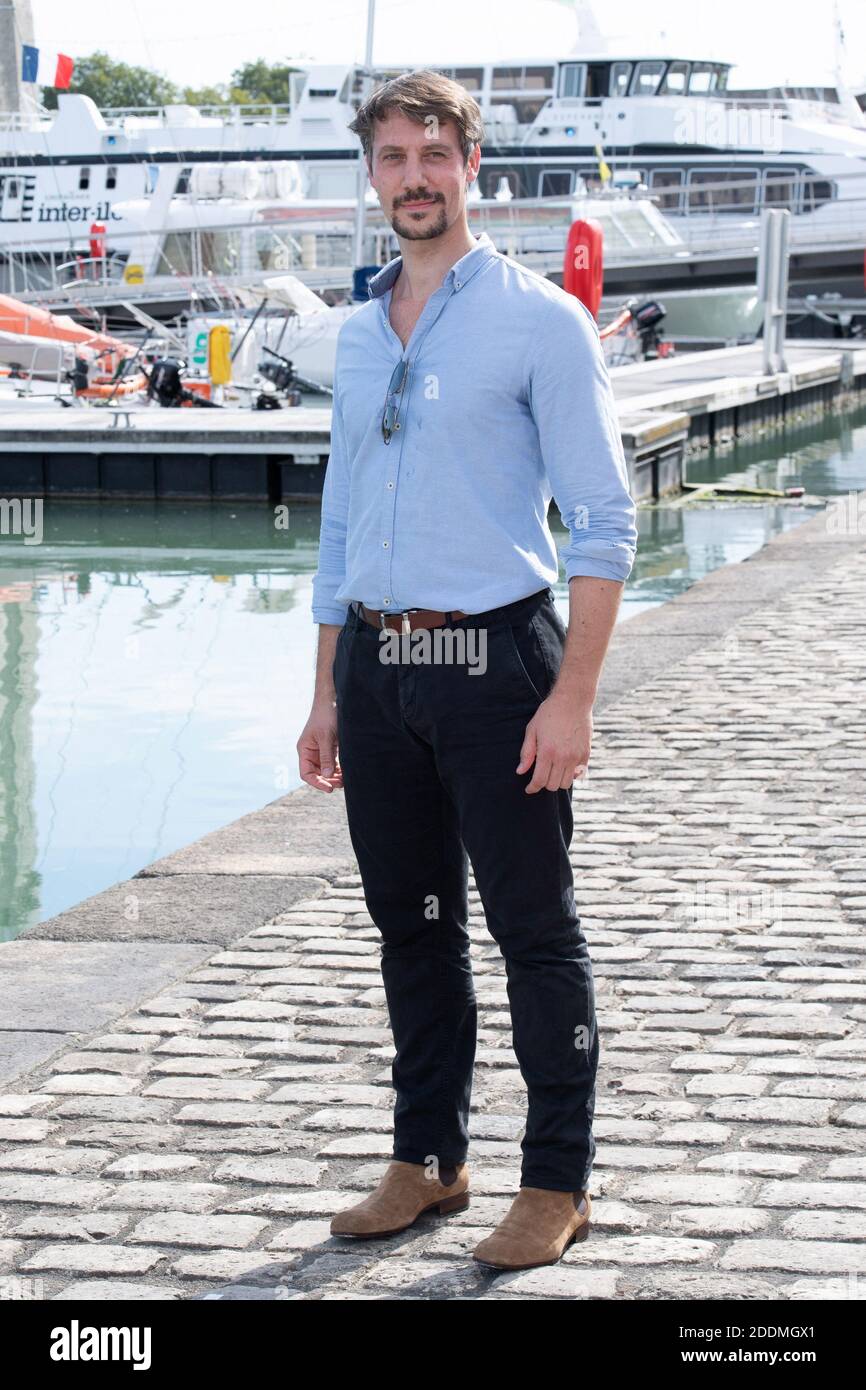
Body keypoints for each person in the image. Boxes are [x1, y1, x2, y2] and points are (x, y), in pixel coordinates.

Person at [297, 68, 637, 1272]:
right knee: (414, 927)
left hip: (496, 659)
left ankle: (557, 1178)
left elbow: (603, 520)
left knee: (533, 931)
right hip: (385, 667)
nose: (412, 178)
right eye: (390, 158)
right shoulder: (352, 330)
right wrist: (329, 686)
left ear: (470, 166)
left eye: (432, 155)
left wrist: (572, 696)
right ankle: (428, 1159)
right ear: (372, 175)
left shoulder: (539, 320)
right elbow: (340, 520)